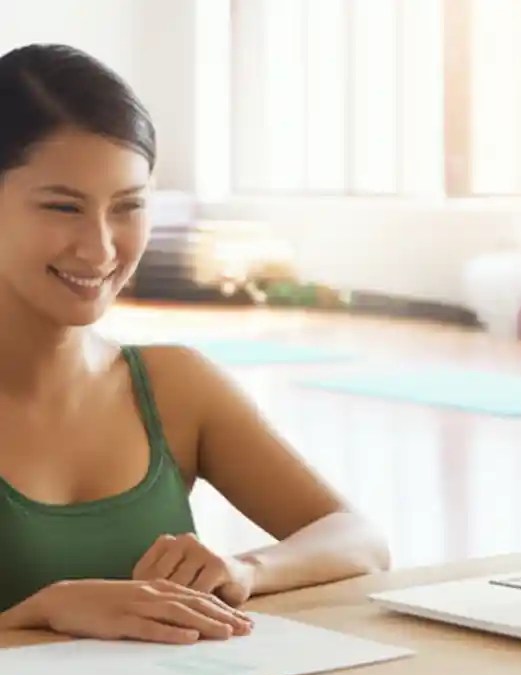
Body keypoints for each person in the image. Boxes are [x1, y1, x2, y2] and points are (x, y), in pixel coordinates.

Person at [0, 44, 389, 644]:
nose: (101, 248)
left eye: (128, 207)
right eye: (62, 207)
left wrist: (245, 569)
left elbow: (358, 539)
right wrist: (39, 611)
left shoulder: (173, 386)